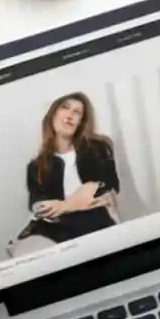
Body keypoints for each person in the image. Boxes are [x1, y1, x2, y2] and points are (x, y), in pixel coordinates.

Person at [24, 92, 121, 244]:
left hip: (95, 222)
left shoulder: (98, 147)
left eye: (77, 112)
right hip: (56, 230)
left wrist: (63, 205)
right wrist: (78, 201)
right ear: (53, 114)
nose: (69, 115)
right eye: (65, 107)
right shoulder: (36, 166)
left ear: (82, 122)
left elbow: (107, 188)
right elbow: (37, 205)